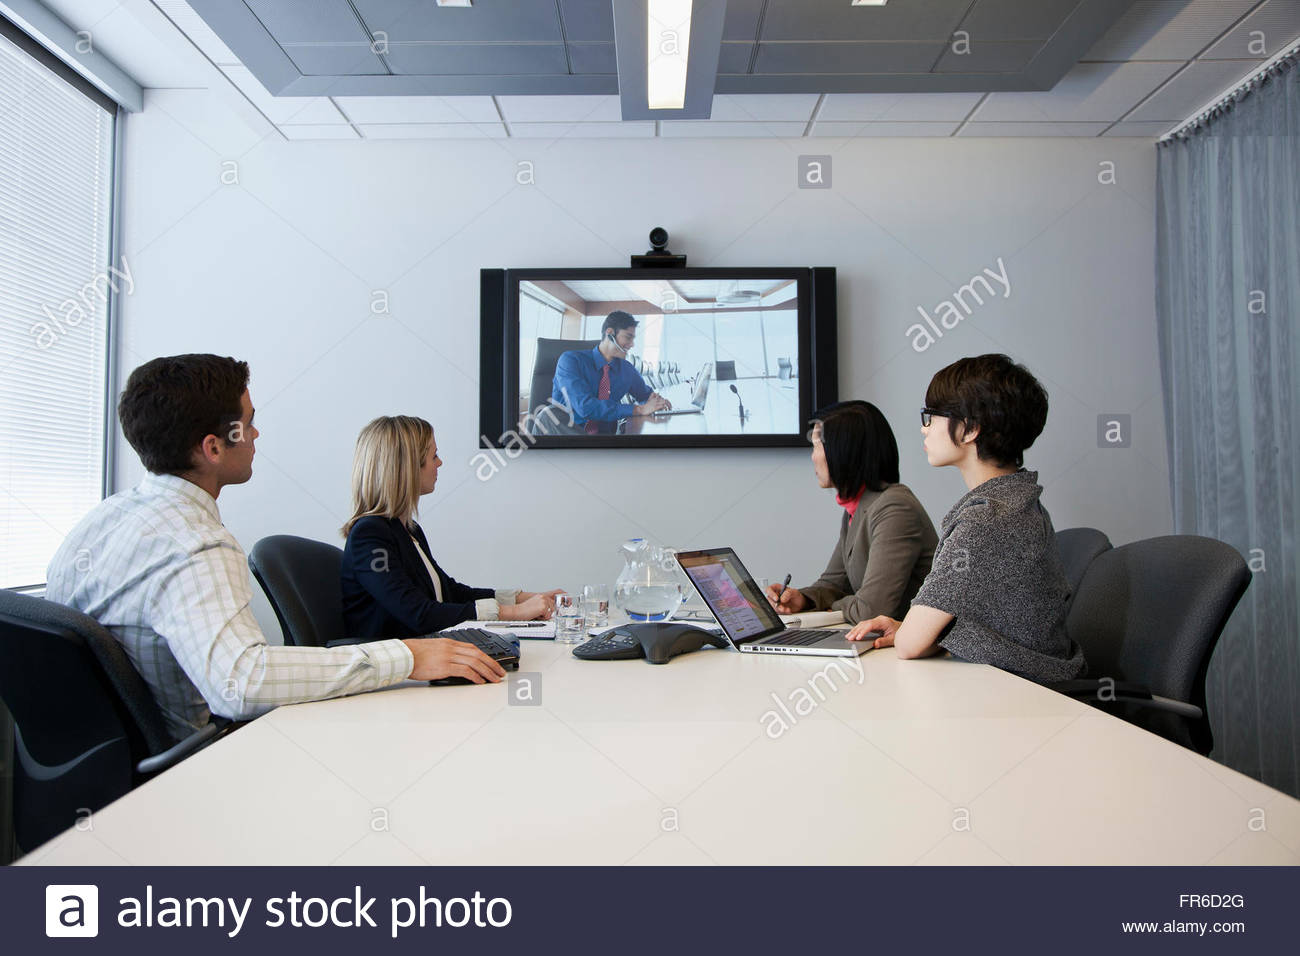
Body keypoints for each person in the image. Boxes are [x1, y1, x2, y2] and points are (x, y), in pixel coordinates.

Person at [46, 355, 507, 745]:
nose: (256, 435)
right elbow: (241, 682)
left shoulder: (99, 522)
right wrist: (408, 656)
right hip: (200, 763)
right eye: (248, 424)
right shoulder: (192, 543)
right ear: (213, 447)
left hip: (108, 767)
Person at [845, 354, 1086, 684]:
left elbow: (909, 645)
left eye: (931, 416)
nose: (923, 427)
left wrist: (912, 632)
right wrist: (910, 628)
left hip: (1026, 697)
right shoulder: (1017, 502)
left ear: (971, 428)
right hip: (1023, 685)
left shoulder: (986, 520)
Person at [341, 415, 561, 641]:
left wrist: (522, 598)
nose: (440, 463)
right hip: (397, 668)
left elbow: (450, 593)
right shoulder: (368, 537)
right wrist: (513, 613)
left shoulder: (408, 530)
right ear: (407, 467)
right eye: (433, 456)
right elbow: (417, 613)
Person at [764, 401, 937, 625]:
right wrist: (804, 599)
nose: (813, 457)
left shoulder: (894, 508)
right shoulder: (858, 507)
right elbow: (834, 584)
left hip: (909, 652)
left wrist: (832, 608)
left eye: (817, 445)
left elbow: (871, 611)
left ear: (844, 451)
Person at [550, 310, 671, 432]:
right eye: (628, 337)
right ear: (610, 333)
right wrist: (638, 409)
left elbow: (645, 395)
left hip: (605, 440)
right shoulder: (571, 361)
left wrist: (657, 402)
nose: (632, 344)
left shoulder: (627, 369)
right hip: (567, 436)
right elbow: (585, 407)